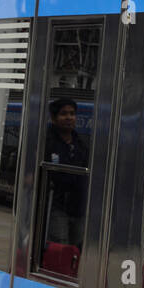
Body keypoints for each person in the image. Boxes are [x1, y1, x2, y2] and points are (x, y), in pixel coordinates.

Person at [43, 98, 89, 247]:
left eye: (72, 113)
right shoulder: (47, 141)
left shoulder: (80, 144)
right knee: (60, 245)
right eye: (63, 114)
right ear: (54, 118)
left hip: (78, 206)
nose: (69, 117)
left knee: (77, 246)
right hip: (56, 204)